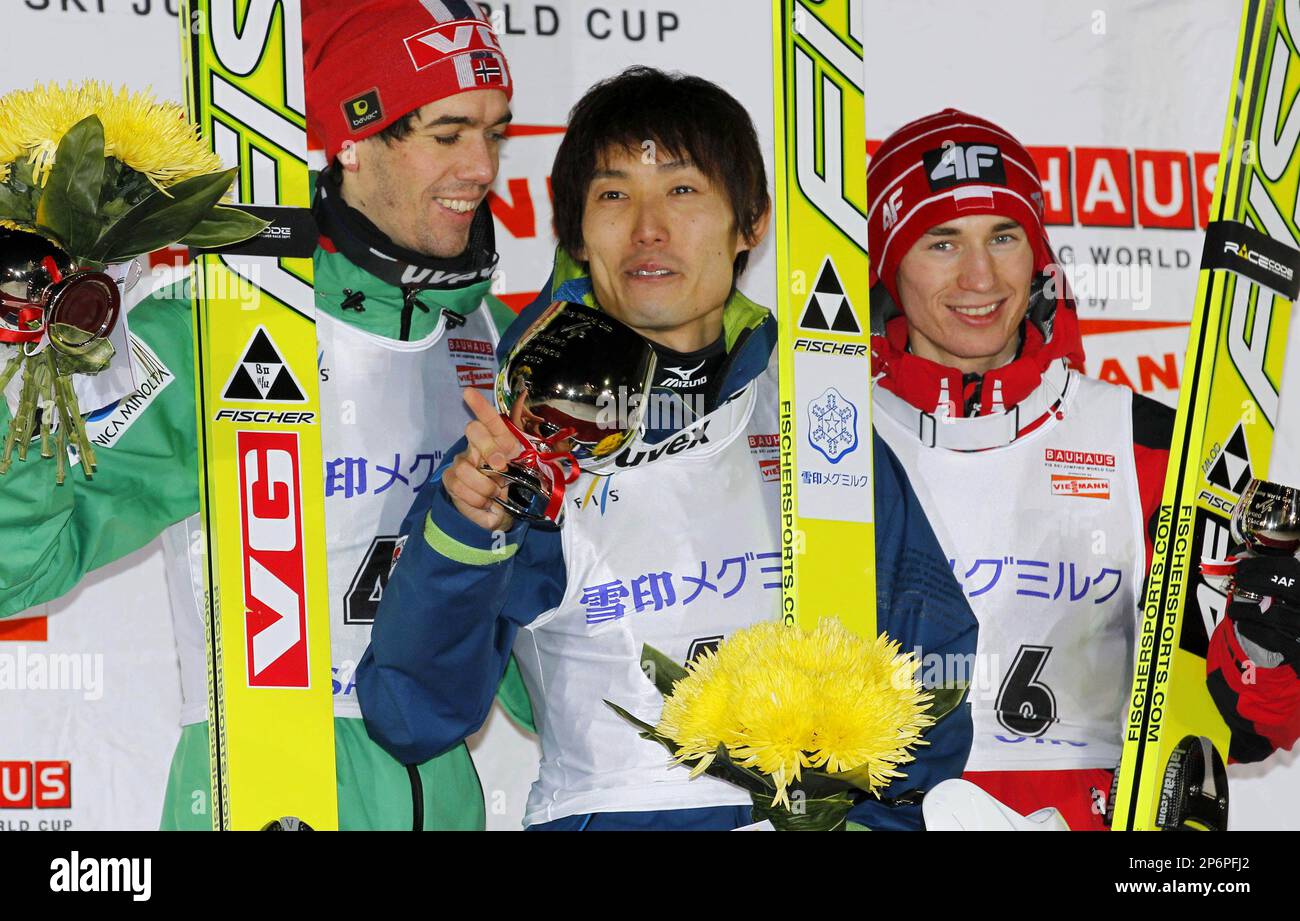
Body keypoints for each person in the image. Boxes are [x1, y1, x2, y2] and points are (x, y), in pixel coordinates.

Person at [357, 66, 978, 831]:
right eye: (614, 194)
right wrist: (464, 531)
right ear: (577, 236)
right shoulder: (521, 444)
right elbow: (412, 713)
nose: (648, 228)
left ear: (750, 223)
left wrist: (864, 823)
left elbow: (932, 664)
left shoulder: (815, 418)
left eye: (683, 190)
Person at [0, 0, 531, 830]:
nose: (482, 165)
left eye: (495, 133)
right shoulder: (210, 321)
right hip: (261, 773)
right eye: (447, 132)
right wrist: (48, 371)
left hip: (443, 786)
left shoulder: (485, 334)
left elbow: (522, 665)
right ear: (353, 140)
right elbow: (11, 569)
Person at [866, 108, 1300, 829]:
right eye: (941, 241)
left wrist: (1270, 637)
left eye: (1004, 236)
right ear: (888, 260)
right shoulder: (830, 437)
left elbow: (1242, 719)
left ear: (1036, 251)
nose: (981, 275)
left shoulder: (1144, 439)